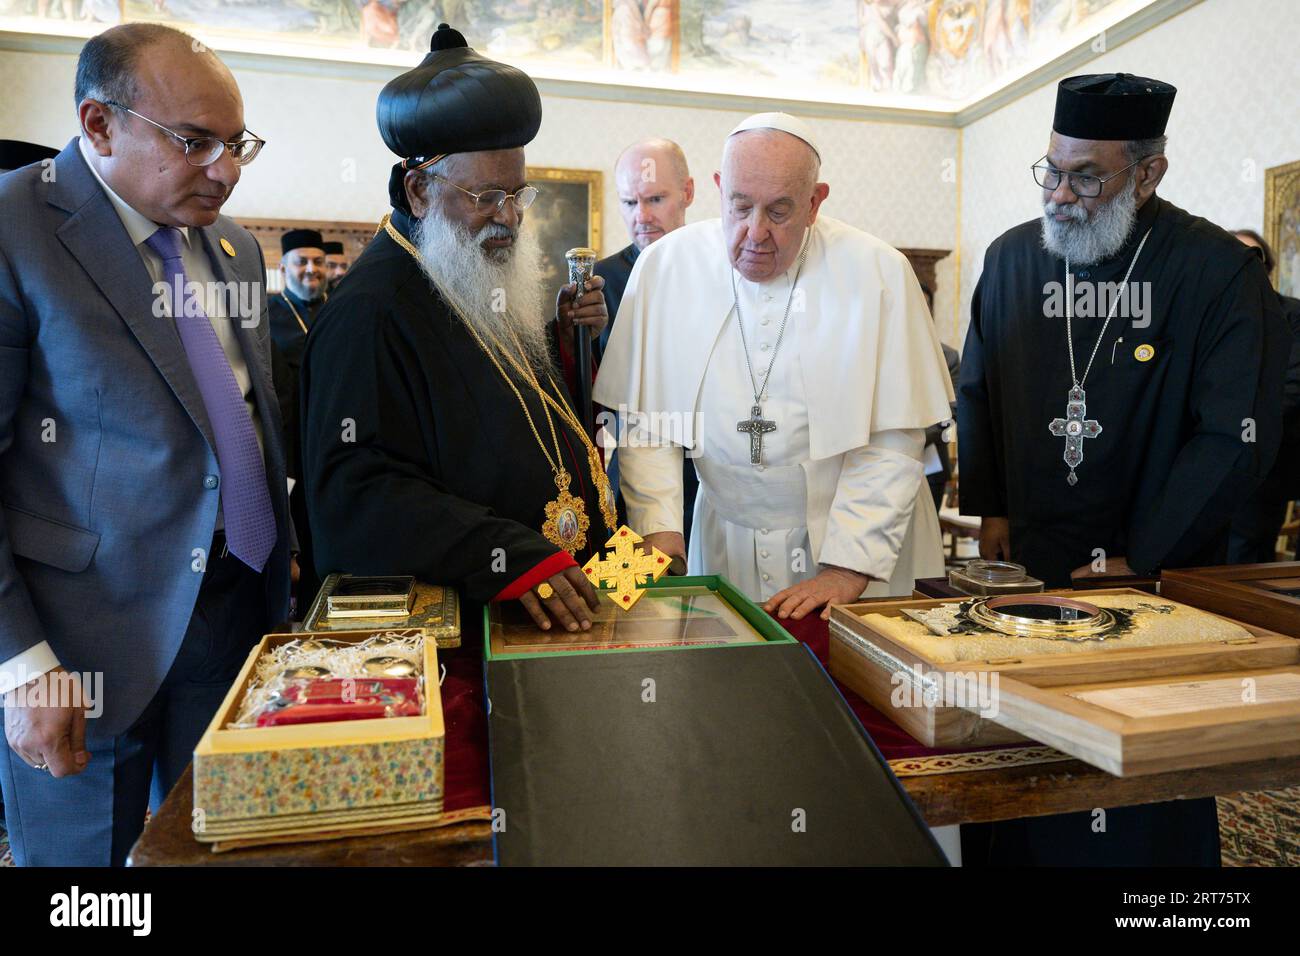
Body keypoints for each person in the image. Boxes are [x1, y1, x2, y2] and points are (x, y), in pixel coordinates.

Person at [957, 73, 1287, 865]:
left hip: (1153, 572)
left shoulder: (1214, 272)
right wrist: (992, 510)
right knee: (1019, 749)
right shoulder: (1010, 260)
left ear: (1148, 173)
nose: (1061, 195)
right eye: (1052, 170)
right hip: (1031, 559)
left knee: (1133, 782)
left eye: (1086, 176)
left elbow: (1233, 436)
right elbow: (979, 386)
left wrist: (1147, 554)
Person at [0, 23, 292, 866]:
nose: (226, 171)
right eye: (194, 143)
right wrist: (23, 665)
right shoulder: (15, 228)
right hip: (80, 648)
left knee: (213, 851)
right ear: (99, 124)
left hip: (235, 617)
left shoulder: (234, 248)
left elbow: (240, 417)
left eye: (236, 144)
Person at [301, 24, 614, 637]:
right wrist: (510, 556)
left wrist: (569, 344)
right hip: (480, 624)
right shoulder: (369, 311)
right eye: (487, 196)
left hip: (568, 597)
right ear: (419, 190)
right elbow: (356, 493)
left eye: (518, 194)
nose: (510, 218)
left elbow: (506, 414)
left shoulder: (471, 277)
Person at [595, 112, 954, 619]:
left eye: (779, 212)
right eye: (739, 207)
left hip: (857, 543)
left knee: (855, 690)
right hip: (724, 537)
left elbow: (893, 441)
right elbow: (646, 423)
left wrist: (848, 568)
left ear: (815, 202)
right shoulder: (664, 268)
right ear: (719, 189)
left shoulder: (878, 272)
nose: (754, 232)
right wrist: (659, 531)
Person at [596, 138, 699, 543]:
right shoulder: (597, 285)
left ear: (688, 193)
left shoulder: (725, 270)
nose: (642, 216)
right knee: (641, 601)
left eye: (655, 199)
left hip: (711, 481)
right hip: (627, 484)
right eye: (629, 203)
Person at [1226, 229, 1300, 562]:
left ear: (1268, 268)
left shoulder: (1293, 315)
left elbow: (1292, 388)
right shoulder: (1209, 317)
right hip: (1203, 459)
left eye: (1253, 259)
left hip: (1266, 459)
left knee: (1243, 561)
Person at [268, 228, 328, 368]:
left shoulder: (340, 307)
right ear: (283, 269)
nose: (311, 269)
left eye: (318, 262)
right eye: (301, 262)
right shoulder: (264, 314)